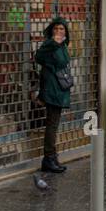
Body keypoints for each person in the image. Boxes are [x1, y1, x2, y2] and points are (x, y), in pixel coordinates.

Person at [35, 18, 74, 173]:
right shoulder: (49, 45)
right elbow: (39, 57)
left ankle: (52, 157)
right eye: (56, 29)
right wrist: (53, 43)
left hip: (59, 89)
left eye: (62, 29)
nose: (59, 32)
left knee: (54, 124)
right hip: (52, 90)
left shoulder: (62, 45)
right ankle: (49, 158)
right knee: (52, 125)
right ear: (52, 30)